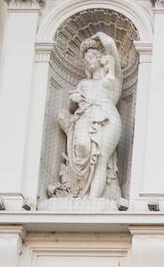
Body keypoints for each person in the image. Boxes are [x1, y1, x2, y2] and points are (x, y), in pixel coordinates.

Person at [50, 33, 124, 203]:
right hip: (85, 116)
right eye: (86, 58)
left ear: (101, 59)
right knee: (82, 146)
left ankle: (93, 199)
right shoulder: (84, 83)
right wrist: (73, 100)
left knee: (101, 158)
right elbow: (71, 108)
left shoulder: (113, 78)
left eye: (91, 56)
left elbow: (112, 48)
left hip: (108, 117)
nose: (88, 60)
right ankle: (80, 191)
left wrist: (102, 37)